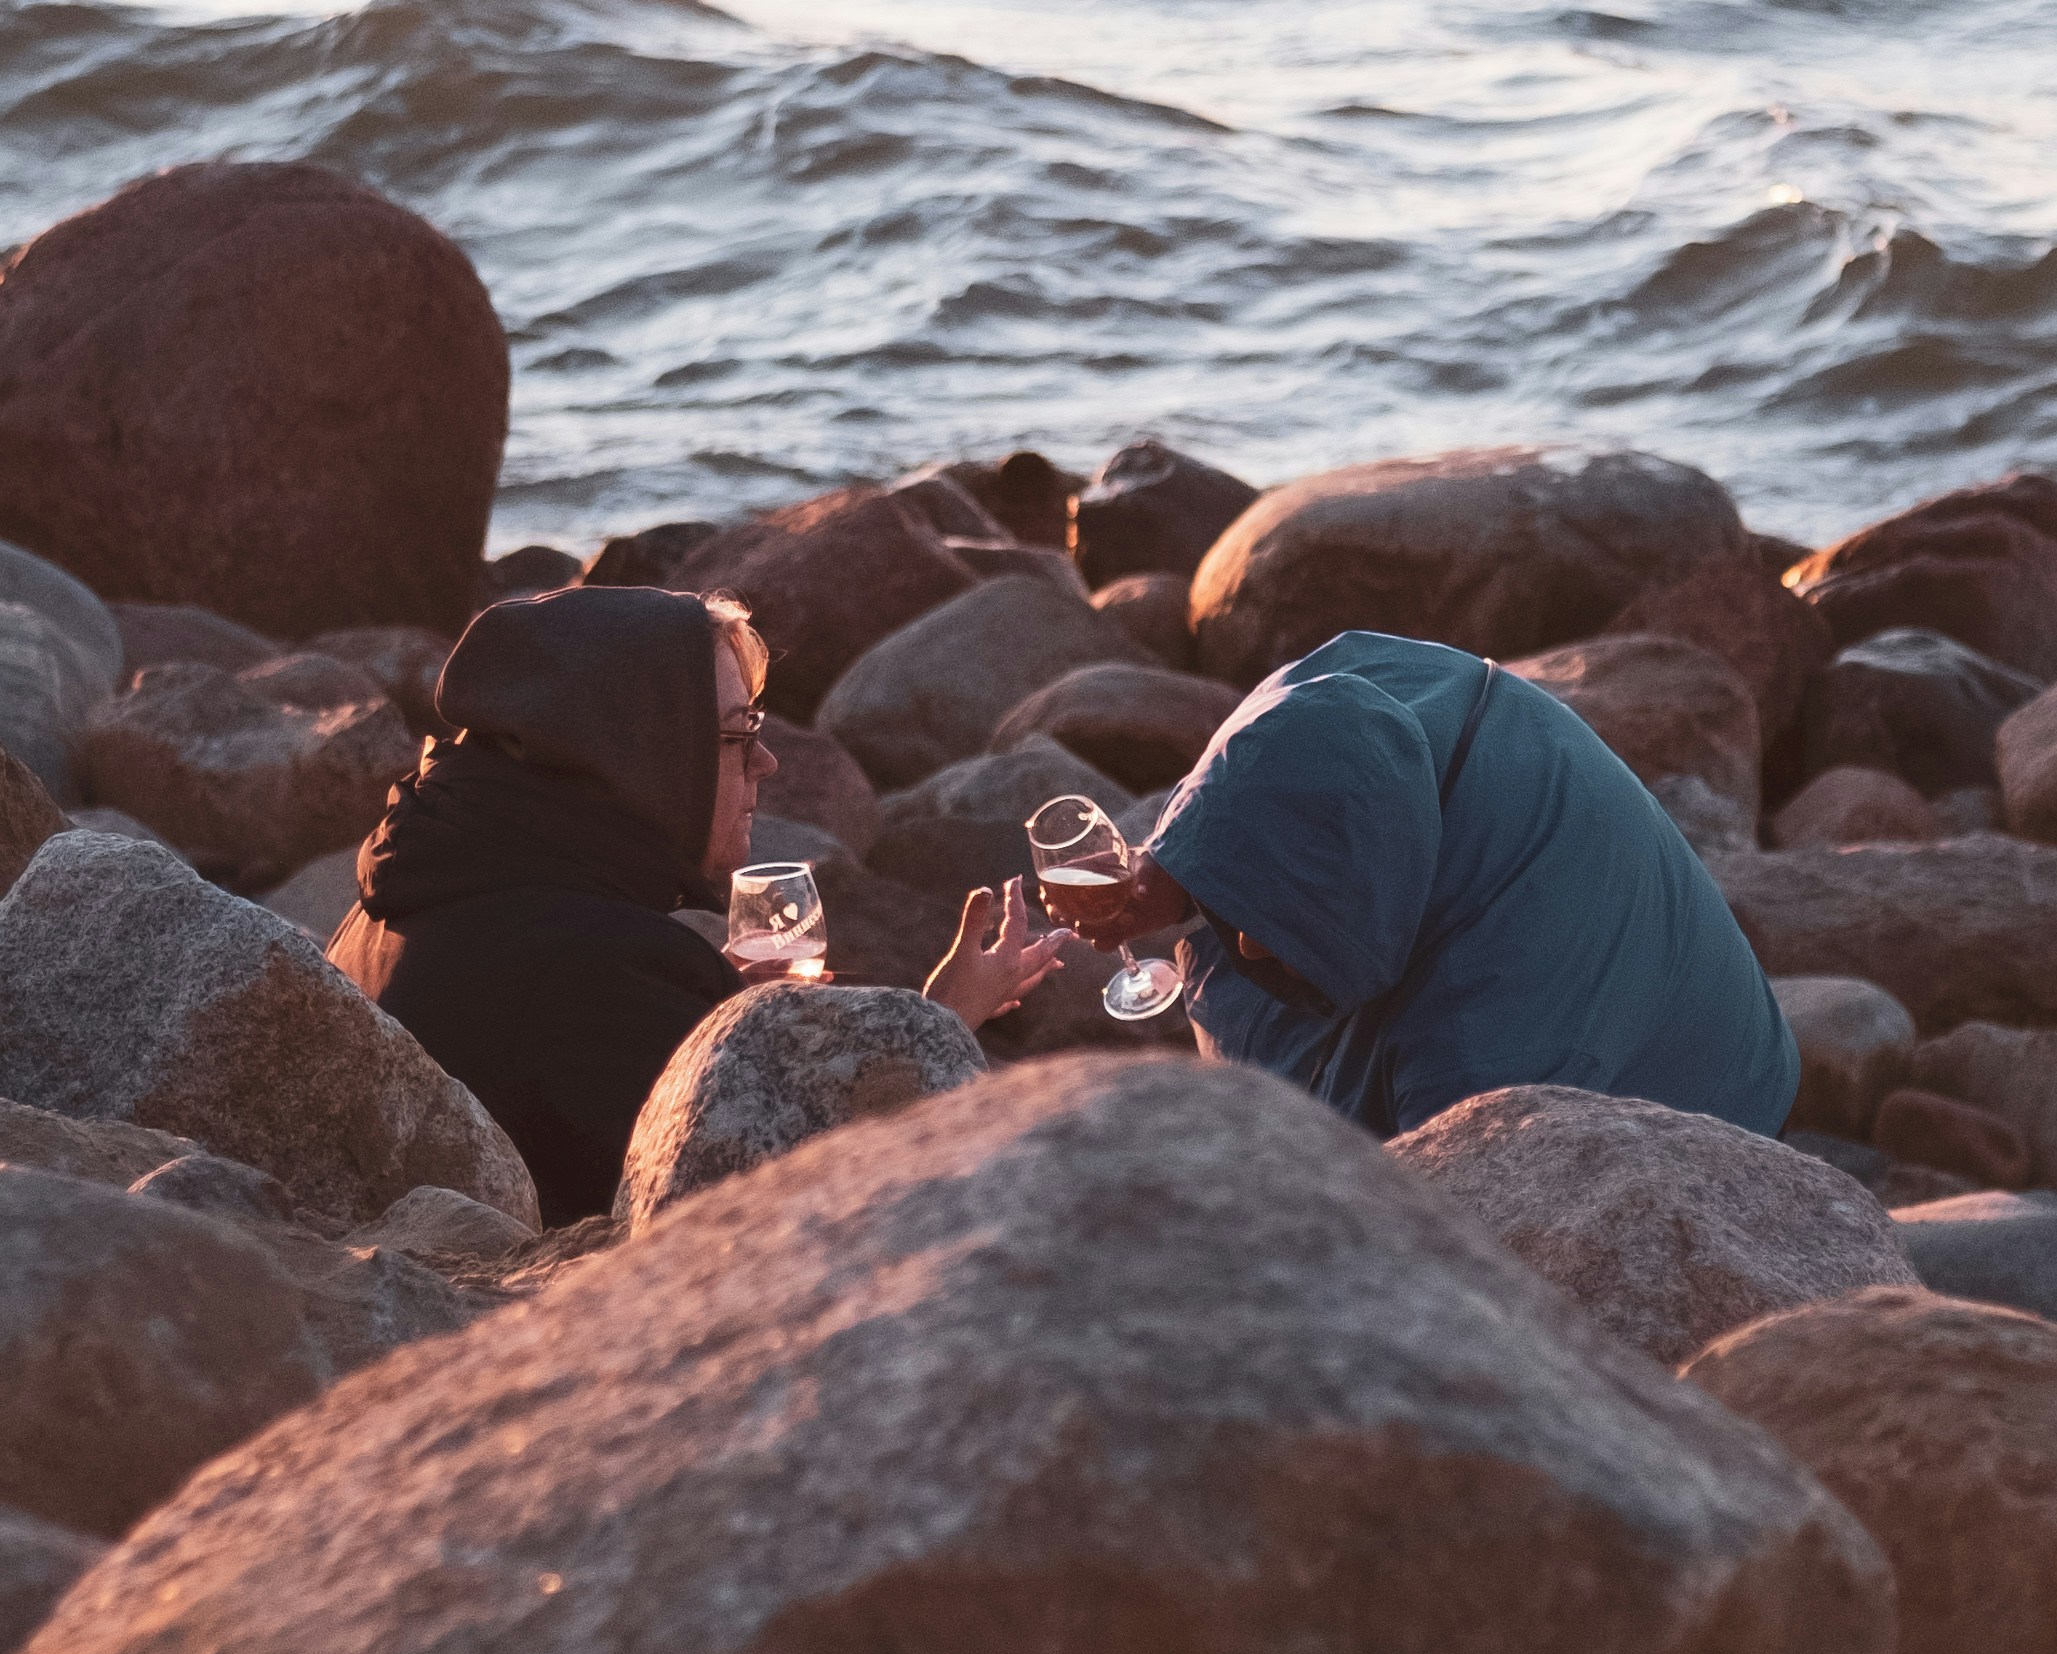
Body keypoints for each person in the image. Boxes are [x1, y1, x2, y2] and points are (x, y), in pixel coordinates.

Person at [329, 584, 1057, 1223]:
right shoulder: (603, 967)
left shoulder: (405, 891)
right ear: (639, 753)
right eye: (739, 734)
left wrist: (710, 1018)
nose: (765, 761)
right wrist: (939, 1024)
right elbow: (798, 1207)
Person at [1047, 629, 1799, 1141]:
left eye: (1270, 924)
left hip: (1700, 1106)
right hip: (1509, 880)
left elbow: (1449, 1220)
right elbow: (1262, 759)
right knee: (1257, 969)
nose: (1245, 940)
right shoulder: (1340, 684)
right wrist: (1173, 868)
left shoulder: (1487, 1038)